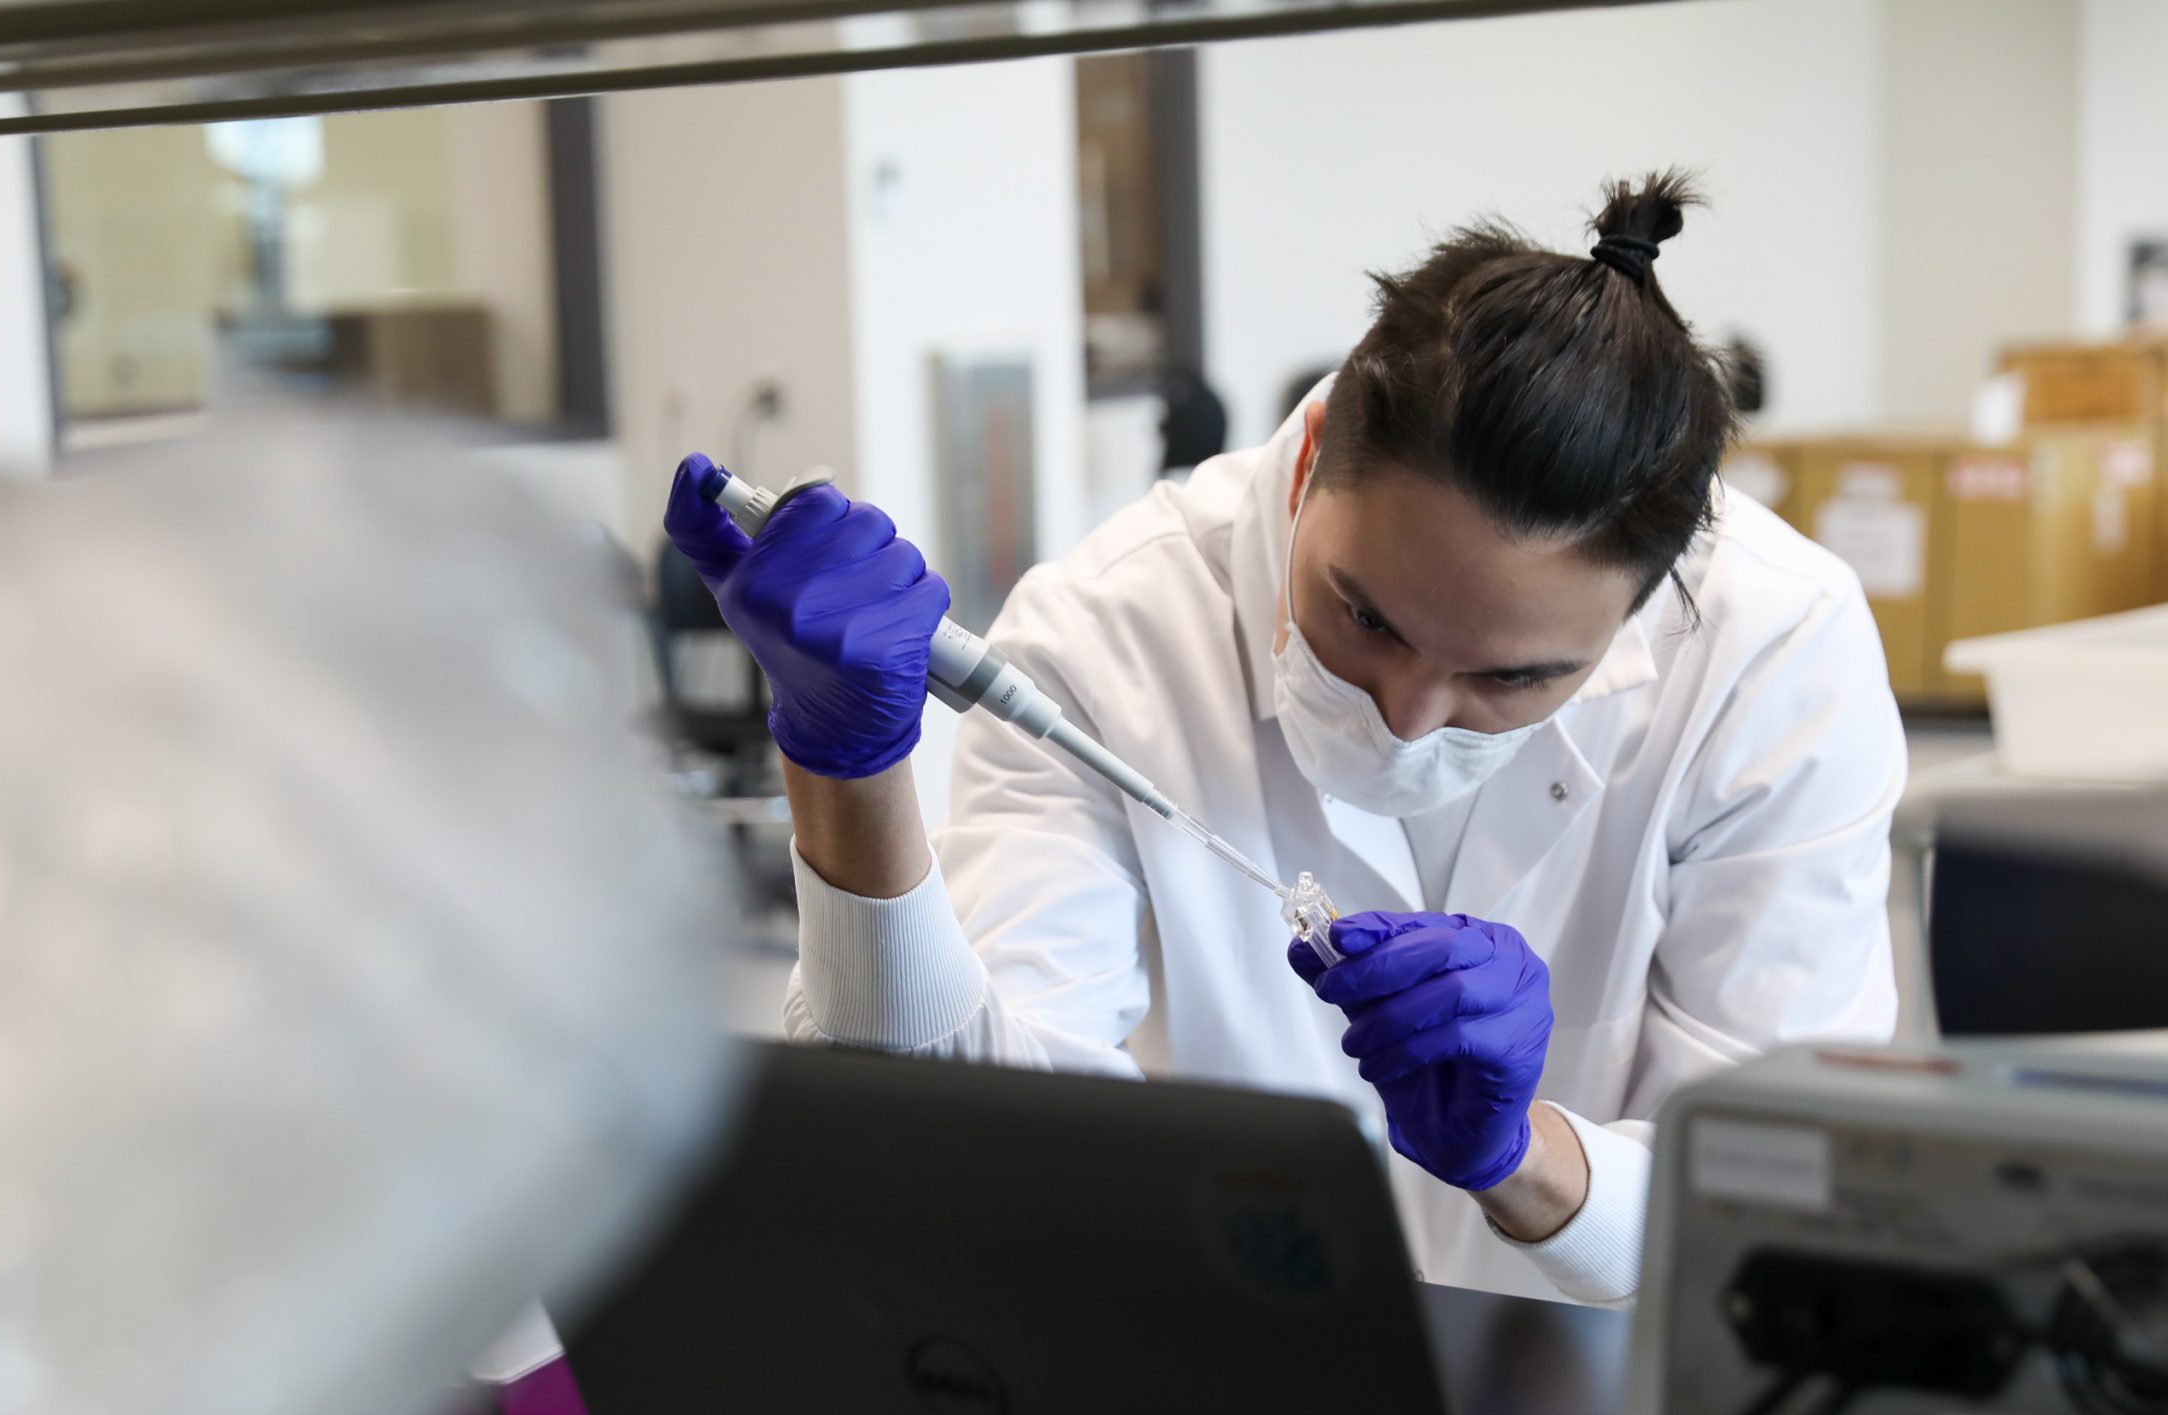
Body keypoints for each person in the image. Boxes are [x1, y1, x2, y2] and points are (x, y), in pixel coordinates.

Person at [661, 173, 1903, 1306]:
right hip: (1226, 1376)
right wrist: (845, 772)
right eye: (1364, 615)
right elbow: (958, 1147)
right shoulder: (1110, 634)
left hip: (1625, 1404)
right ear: (1308, 459)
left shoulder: (1774, 657)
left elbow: (1779, 1208)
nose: (1405, 713)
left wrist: (1523, 1156)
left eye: (1513, 676)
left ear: (1650, 604)